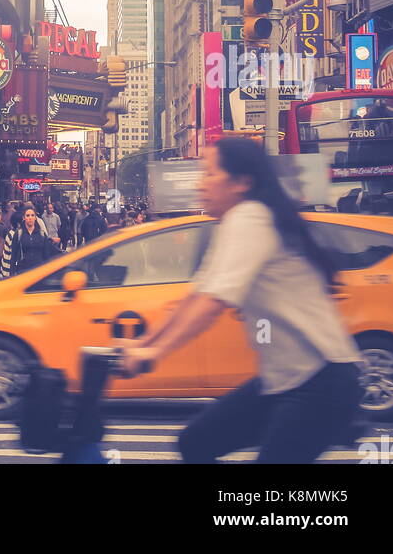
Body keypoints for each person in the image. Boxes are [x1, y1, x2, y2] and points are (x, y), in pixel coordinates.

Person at [120, 138, 361, 465]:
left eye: (209, 174)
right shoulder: (234, 224)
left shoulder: (251, 217)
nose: (200, 184)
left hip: (321, 383)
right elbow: (195, 298)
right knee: (195, 442)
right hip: (283, 382)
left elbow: (213, 303)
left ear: (242, 183)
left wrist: (154, 353)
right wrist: (142, 343)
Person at [0, 205, 57, 278]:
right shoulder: (19, 233)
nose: (30, 218)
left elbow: (46, 254)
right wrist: (12, 274)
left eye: (32, 215)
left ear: (35, 218)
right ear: (24, 218)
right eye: (28, 215)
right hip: (23, 270)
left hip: (38, 271)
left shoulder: (41, 234)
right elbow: (13, 255)